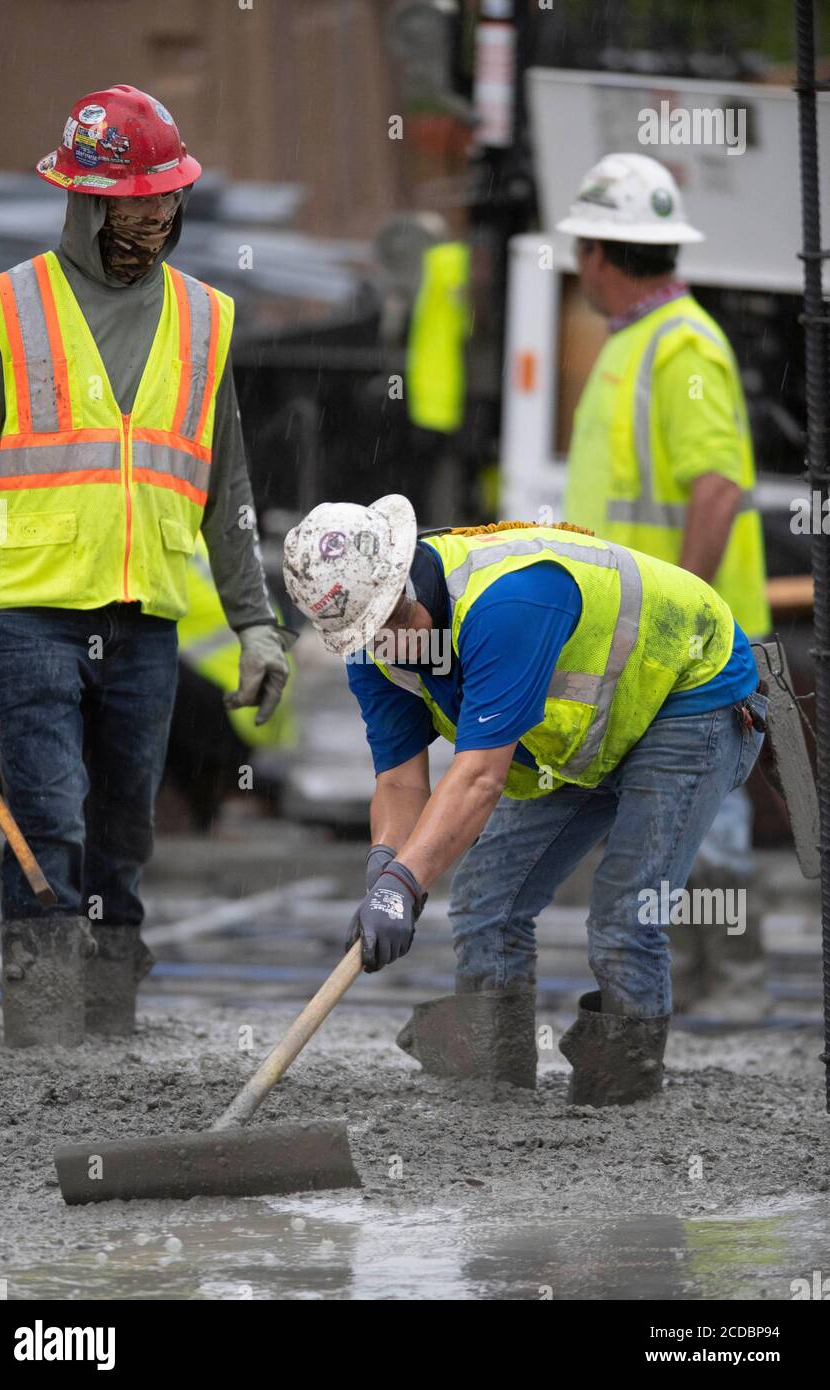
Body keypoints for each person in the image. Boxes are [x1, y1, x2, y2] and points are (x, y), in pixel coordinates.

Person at [0, 86, 290, 1046]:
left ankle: (105, 1020)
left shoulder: (204, 321)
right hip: (25, 610)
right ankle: (45, 1023)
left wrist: (256, 624)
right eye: (133, 202)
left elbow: (224, 486)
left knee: (124, 832)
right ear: (83, 201)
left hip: (143, 614)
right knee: (49, 815)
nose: (153, 218)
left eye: (165, 199)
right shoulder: (4, 312)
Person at [283, 496, 767, 1105]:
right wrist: (385, 864)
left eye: (395, 619)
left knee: (627, 912)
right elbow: (401, 783)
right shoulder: (375, 653)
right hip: (590, 731)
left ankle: (625, 1100)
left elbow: (481, 777)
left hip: (691, 694)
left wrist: (406, 884)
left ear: (406, 572)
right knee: (488, 897)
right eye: (373, 636)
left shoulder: (509, 600)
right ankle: (495, 1093)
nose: (391, 642)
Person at [557, 152, 770, 1014]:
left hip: (687, 645)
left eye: (583, 248)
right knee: (673, 817)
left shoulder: (681, 347)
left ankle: (736, 989)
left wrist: (681, 625)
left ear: (604, 254)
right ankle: (686, 989)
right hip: (653, 640)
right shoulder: (640, 344)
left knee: (705, 819)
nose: (577, 266)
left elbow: (718, 486)